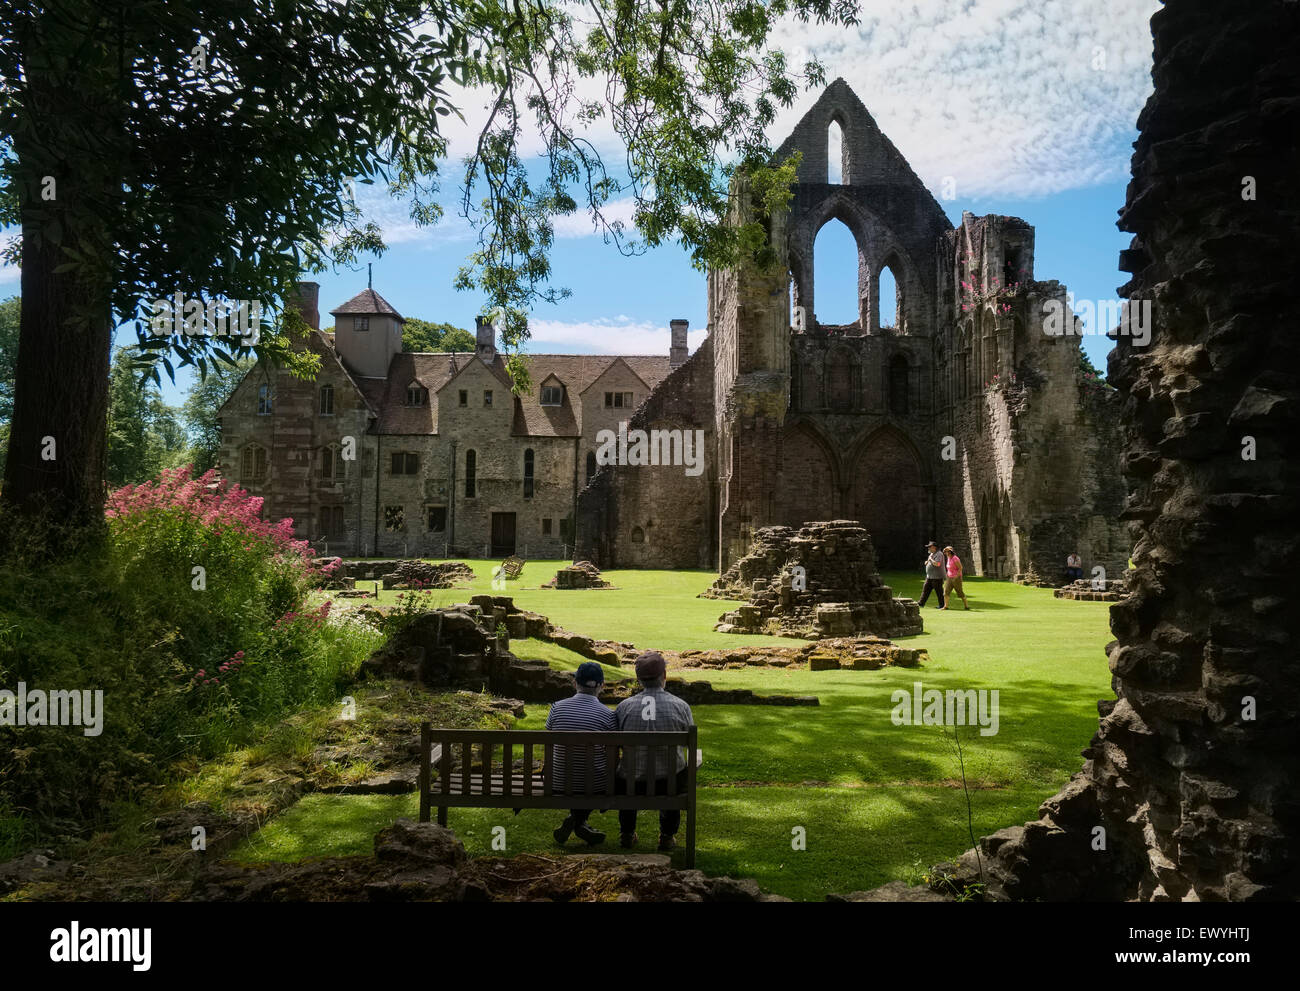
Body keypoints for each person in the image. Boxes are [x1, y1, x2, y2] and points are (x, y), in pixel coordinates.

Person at [613, 650, 695, 852]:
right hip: (668, 783)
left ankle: (627, 833)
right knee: (675, 770)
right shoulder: (681, 706)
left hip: (631, 784)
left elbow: (616, 744)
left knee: (626, 774)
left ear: (638, 679)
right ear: (664, 676)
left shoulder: (624, 707)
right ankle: (667, 836)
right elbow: (686, 744)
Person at [545, 661, 616, 846]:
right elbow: (613, 752)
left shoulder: (557, 708)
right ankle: (579, 822)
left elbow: (549, 736)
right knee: (593, 774)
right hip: (595, 785)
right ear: (602, 685)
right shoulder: (607, 715)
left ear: (575, 682)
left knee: (574, 770)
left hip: (558, 781)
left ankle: (577, 821)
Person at [918, 541, 946, 609]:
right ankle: (921, 603)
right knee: (925, 590)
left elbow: (937, 564)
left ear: (934, 547)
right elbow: (929, 562)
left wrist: (930, 560)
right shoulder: (931, 554)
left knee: (939, 592)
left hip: (937, 577)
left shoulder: (939, 554)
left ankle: (942, 605)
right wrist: (927, 562)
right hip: (929, 576)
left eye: (929, 547)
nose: (928, 549)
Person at [941, 545, 970, 610]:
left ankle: (966, 606)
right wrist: (947, 576)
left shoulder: (955, 558)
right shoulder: (948, 558)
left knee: (960, 592)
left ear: (950, 552)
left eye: (946, 551)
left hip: (957, 578)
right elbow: (949, 568)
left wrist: (956, 577)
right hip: (949, 577)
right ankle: (946, 606)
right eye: (945, 552)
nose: (945, 553)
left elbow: (960, 568)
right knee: (946, 592)